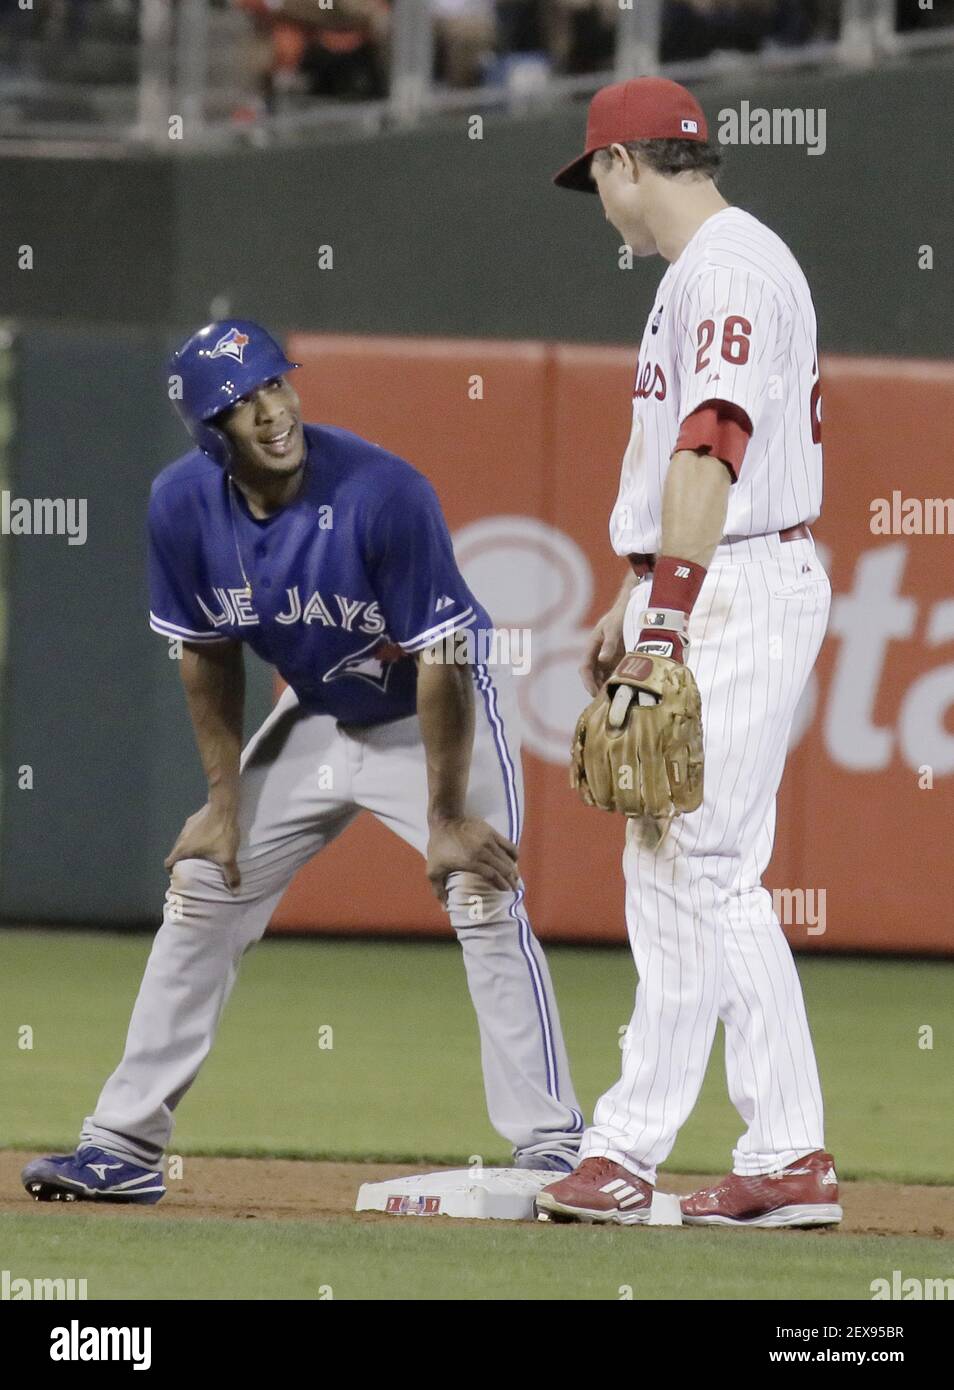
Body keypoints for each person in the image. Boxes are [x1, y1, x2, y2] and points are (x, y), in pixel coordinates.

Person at [22, 320, 582, 1204]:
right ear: (212, 432)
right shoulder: (181, 505)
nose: (272, 410)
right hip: (318, 715)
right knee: (206, 883)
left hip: (431, 719)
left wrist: (443, 818)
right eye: (241, 403)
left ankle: (554, 1147)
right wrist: (221, 803)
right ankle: (124, 1147)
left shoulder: (383, 492)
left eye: (276, 384)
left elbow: (444, 659)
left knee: (482, 891)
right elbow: (205, 652)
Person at [536, 78, 841, 1228]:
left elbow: (717, 440)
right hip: (718, 573)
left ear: (623, 166)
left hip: (740, 582)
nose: (601, 204)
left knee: (704, 861)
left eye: (597, 181)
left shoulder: (724, 267)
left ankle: (769, 1149)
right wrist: (638, 583)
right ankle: (653, 1149)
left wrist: (668, 614)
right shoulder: (712, 270)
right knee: (671, 859)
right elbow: (693, 454)